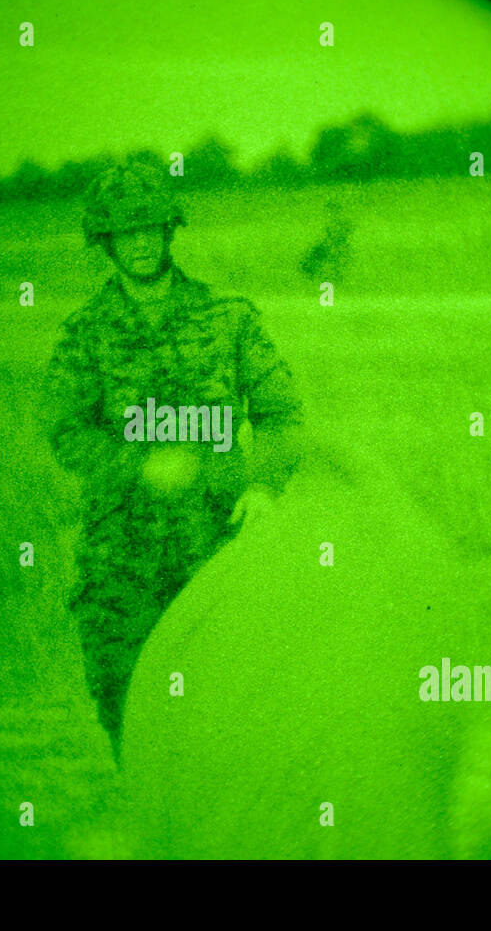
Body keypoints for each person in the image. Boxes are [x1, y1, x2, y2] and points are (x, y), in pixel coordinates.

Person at [43, 159, 304, 764]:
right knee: (129, 716)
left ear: (169, 232)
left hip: (219, 552)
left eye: (149, 229)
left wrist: (263, 486)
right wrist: (137, 464)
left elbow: (282, 414)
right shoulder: (85, 334)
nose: (138, 244)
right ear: (104, 243)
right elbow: (64, 429)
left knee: (235, 714)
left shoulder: (228, 318)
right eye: (124, 234)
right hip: (119, 564)